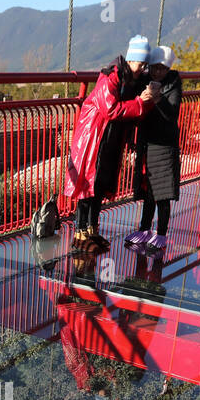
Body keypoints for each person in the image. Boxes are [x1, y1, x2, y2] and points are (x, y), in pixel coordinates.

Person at [62, 34, 158, 251]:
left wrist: (148, 101)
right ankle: (80, 234)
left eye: (144, 64)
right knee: (87, 184)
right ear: (130, 59)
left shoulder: (133, 80)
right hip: (93, 137)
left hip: (110, 138)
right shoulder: (110, 76)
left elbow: (134, 111)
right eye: (139, 63)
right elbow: (111, 109)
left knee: (101, 183)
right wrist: (140, 102)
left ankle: (92, 231)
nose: (141, 68)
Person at [124, 44, 182, 253]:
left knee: (162, 191)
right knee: (147, 187)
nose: (158, 72)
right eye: (154, 67)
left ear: (168, 68)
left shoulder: (173, 82)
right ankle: (144, 228)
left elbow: (172, 113)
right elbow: (132, 104)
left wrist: (157, 98)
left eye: (162, 68)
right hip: (147, 142)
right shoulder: (143, 80)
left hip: (165, 144)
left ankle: (162, 233)